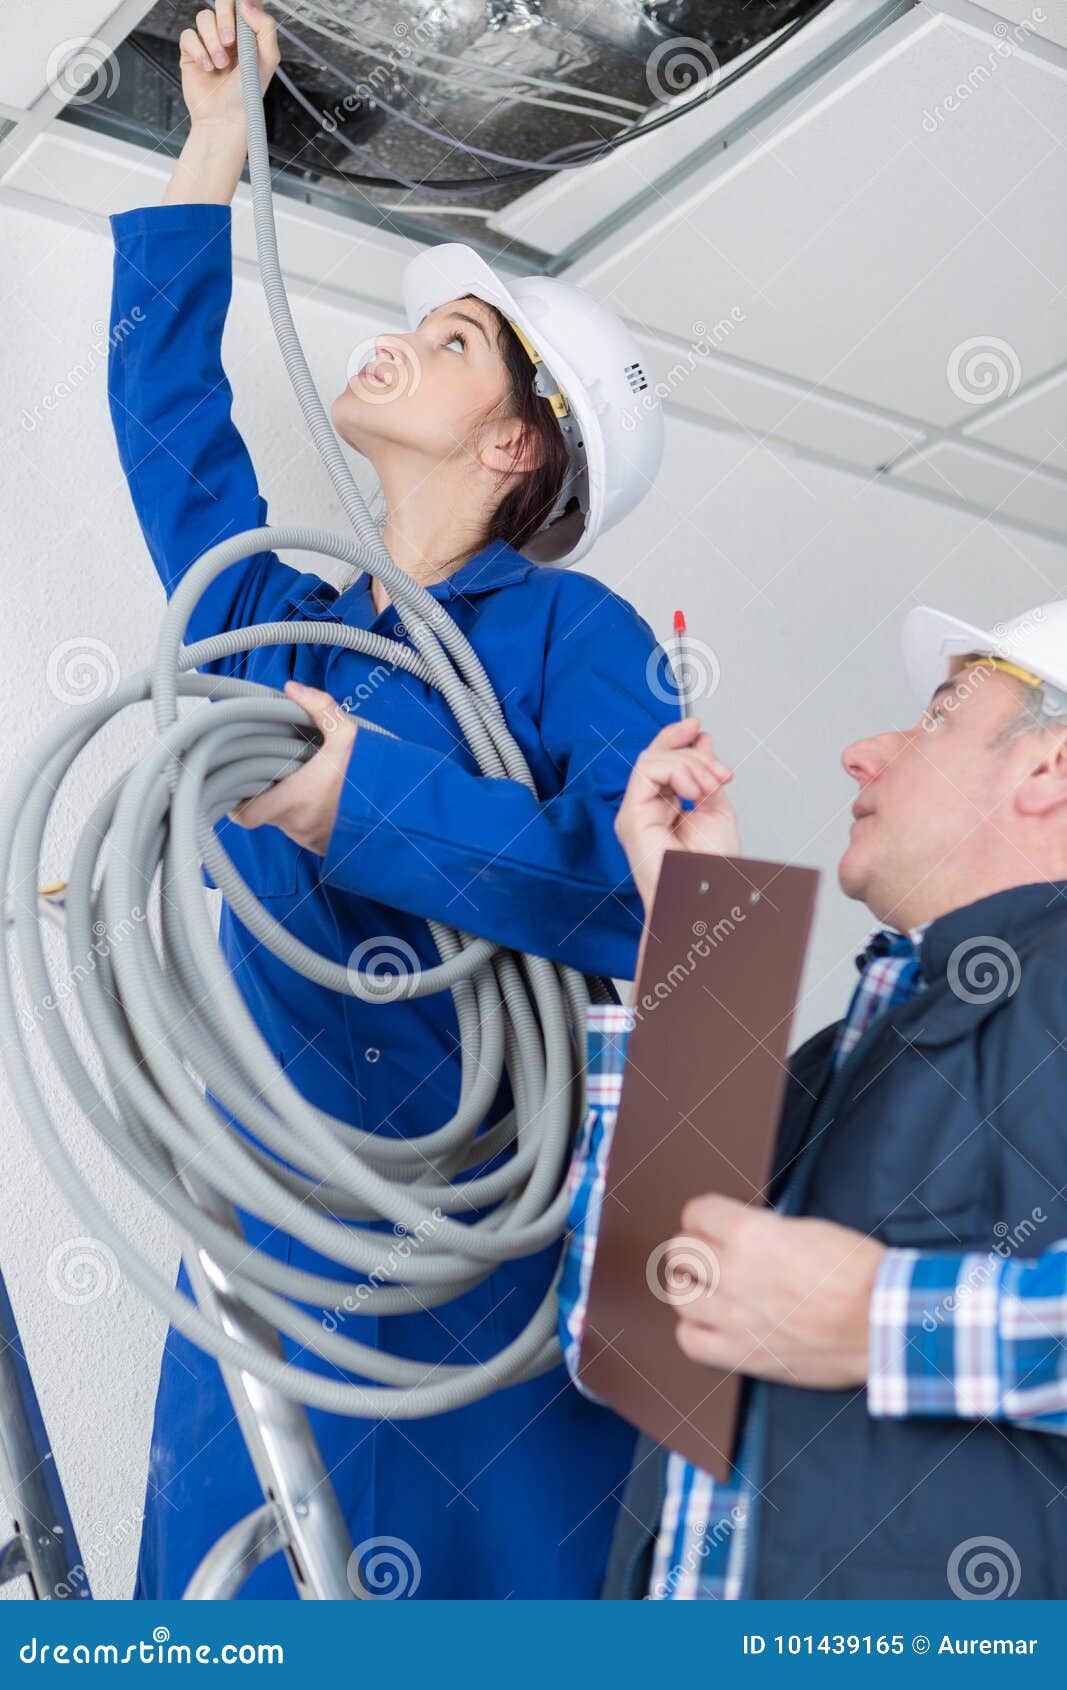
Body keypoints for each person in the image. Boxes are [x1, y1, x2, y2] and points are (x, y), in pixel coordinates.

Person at [107, 0, 674, 1599]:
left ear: (512, 442)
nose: (391, 340)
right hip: (270, 1237)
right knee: (226, 1601)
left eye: (447, 342)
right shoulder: (276, 617)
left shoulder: (579, 634)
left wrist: (358, 800)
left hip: (482, 1260)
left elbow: (637, 894)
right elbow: (170, 430)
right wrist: (214, 139)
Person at [560, 598, 1067, 1599]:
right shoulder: (834, 1056)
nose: (859, 752)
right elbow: (632, 1344)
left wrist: (877, 1318)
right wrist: (702, 952)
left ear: (1046, 771)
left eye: (931, 719)